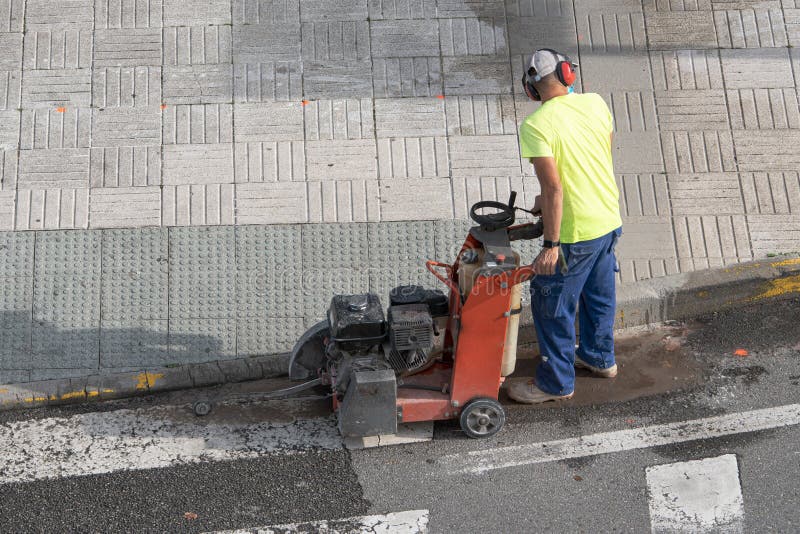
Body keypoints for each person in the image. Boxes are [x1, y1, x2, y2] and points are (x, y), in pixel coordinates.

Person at [507, 48, 623, 404]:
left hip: (576, 235)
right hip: (608, 220)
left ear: (532, 89)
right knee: (598, 294)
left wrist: (551, 245)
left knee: (550, 301)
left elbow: (554, 186)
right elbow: (597, 156)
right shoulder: (596, 103)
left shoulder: (536, 126)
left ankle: (555, 383)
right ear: (567, 74)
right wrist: (546, 202)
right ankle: (599, 357)